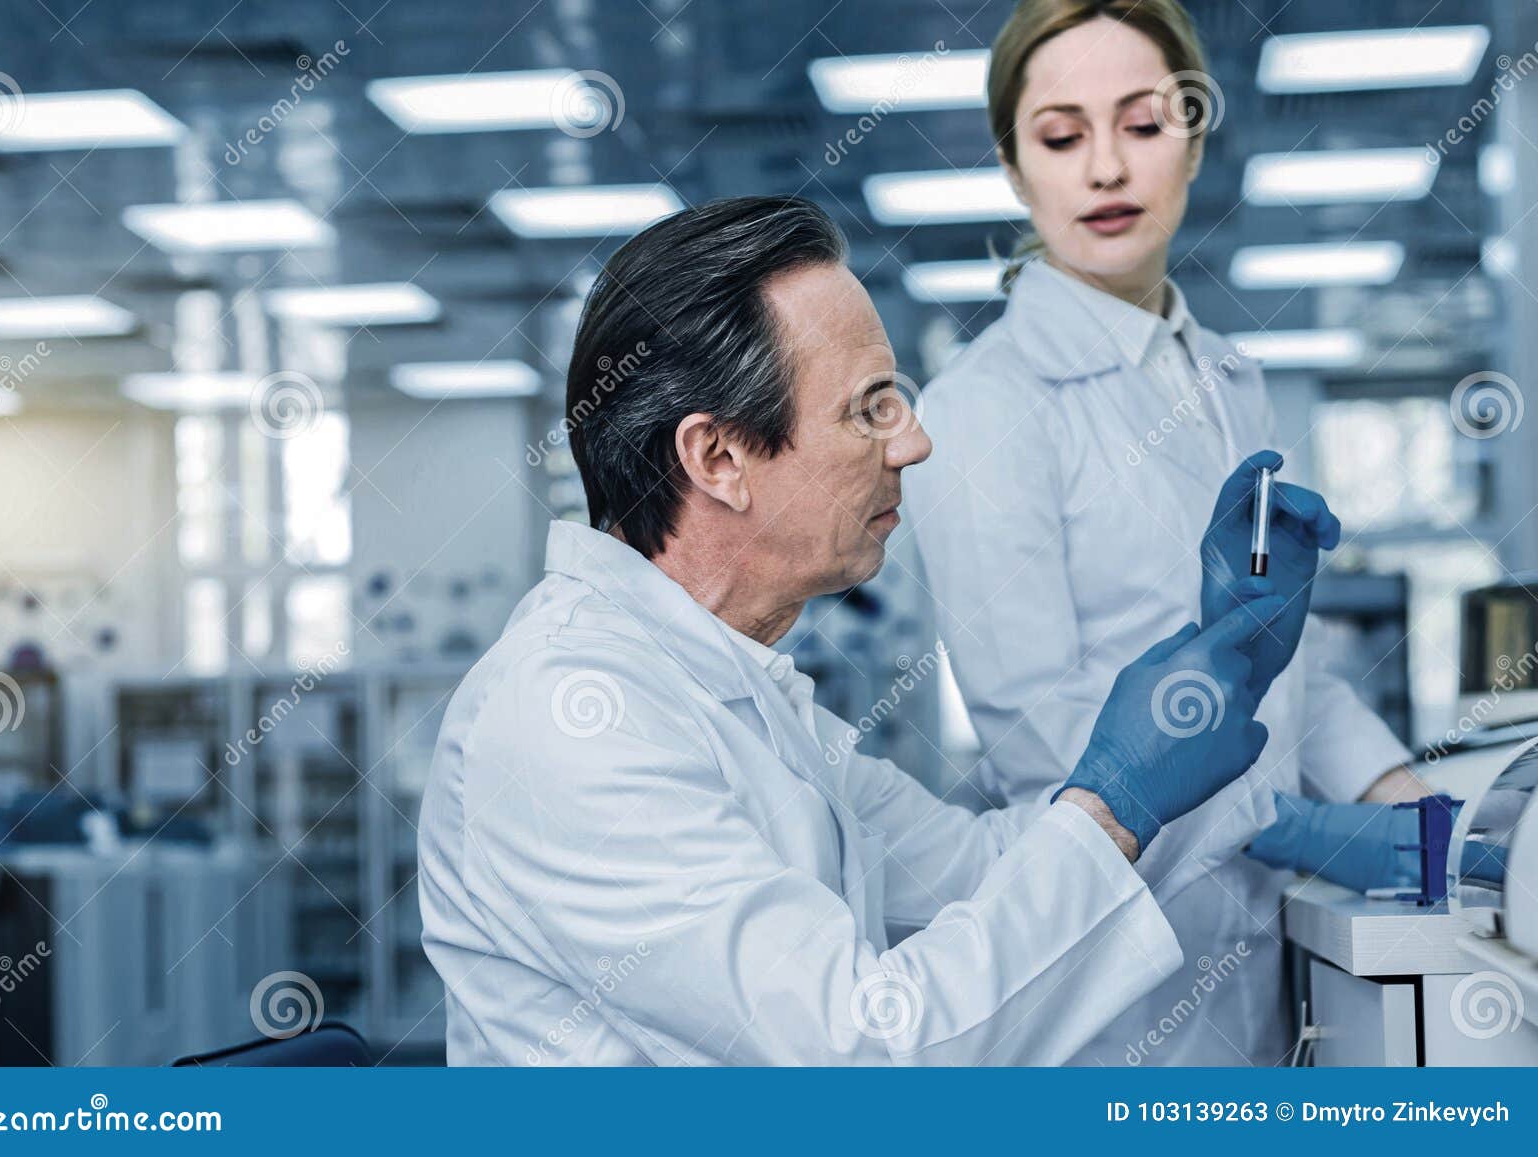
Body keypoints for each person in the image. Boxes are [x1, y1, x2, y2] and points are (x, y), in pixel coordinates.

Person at [416, 194, 1334, 1065]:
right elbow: (865, 1055)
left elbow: (981, 871)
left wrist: (1218, 670)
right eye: (871, 408)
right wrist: (1115, 799)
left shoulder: (740, 696)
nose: (914, 443)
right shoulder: (569, 720)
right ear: (719, 457)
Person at [903, 0, 1428, 1067]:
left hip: (1260, 952)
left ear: (1192, 137)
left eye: (1142, 124)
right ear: (1013, 168)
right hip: (1109, 976)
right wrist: (1279, 821)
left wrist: (1420, 815)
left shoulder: (1231, 379)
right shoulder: (984, 407)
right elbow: (1042, 734)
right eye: (1061, 137)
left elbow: (1286, 672)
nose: (1105, 167)